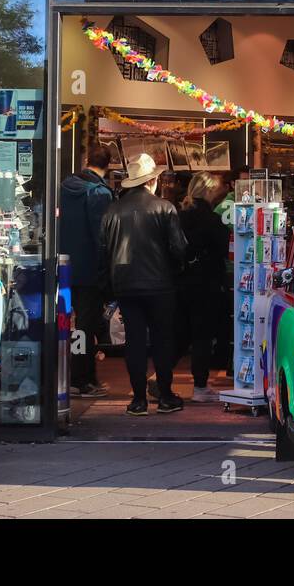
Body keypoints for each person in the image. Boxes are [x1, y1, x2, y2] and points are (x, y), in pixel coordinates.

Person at [98, 153, 189, 416]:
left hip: (125, 283)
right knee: (162, 340)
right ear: (153, 180)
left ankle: (138, 399)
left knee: (134, 342)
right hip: (160, 284)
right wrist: (177, 270)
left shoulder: (112, 210)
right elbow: (178, 248)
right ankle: (165, 396)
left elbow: (103, 251)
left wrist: (107, 285)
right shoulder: (164, 207)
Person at [58, 143, 114, 398]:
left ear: (86, 160)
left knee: (68, 322)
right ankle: (82, 379)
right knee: (85, 325)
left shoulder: (64, 187)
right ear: (108, 165)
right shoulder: (99, 194)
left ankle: (73, 375)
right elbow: (101, 236)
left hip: (64, 265)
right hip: (90, 269)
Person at [177, 172, 231, 403]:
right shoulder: (212, 220)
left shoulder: (178, 215)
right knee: (202, 336)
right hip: (206, 283)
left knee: (180, 334)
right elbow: (221, 252)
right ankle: (200, 386)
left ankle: (161, 376)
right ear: (209, 191)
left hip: (179, 282)